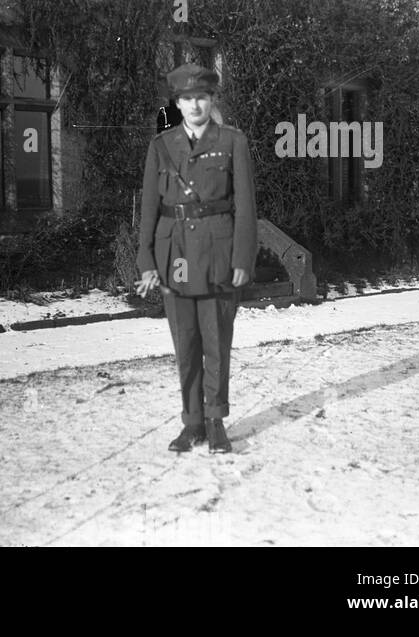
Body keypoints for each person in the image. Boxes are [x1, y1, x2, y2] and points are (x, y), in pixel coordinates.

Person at [135, 63, 257, 454]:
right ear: (177, 103)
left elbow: (245, 207)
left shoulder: (233, 141)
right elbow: (149, 208)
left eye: (201, 98)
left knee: (217, 341)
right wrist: (146, 261)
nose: (195, 105)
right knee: (185, 343)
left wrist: (242, 258)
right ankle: (192, 423)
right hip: (174, 255)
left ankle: (215, 420)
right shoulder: (161, 146)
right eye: (187, 99)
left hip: (218, 254)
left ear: (211, 100)